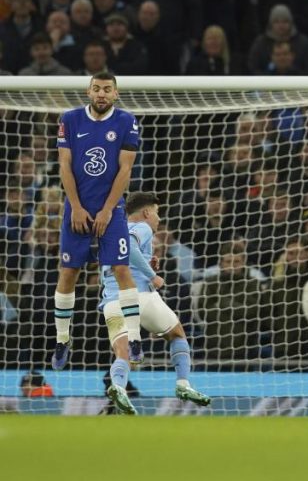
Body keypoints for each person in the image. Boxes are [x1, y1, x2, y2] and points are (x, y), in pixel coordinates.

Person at [54, 72, 141, 415]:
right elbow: (64, 165)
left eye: (107, 89)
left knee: (121, 268)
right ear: (88, 91)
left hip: (113, 210)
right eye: (96, 88)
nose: (101, 93)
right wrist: (76, 206)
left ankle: (133, 338)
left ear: (115, 93)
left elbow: (125, 170)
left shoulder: (126, 122)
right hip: (76, 208)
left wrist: (107, 210)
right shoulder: (70, 120)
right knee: (68, 274)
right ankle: (62, 340)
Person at [97, 192, 209, 406]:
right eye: (157, 213)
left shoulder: (112, 233)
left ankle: (119, 387)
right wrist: (152, 275)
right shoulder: (143, 227)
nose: (158, 219)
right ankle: (183, 384)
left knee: (121, 351)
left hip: (111, 300)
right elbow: (130, 248)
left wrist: (148, 262)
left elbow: (121, 258)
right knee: (177, 334)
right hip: (140, 295)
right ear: (147, 212)